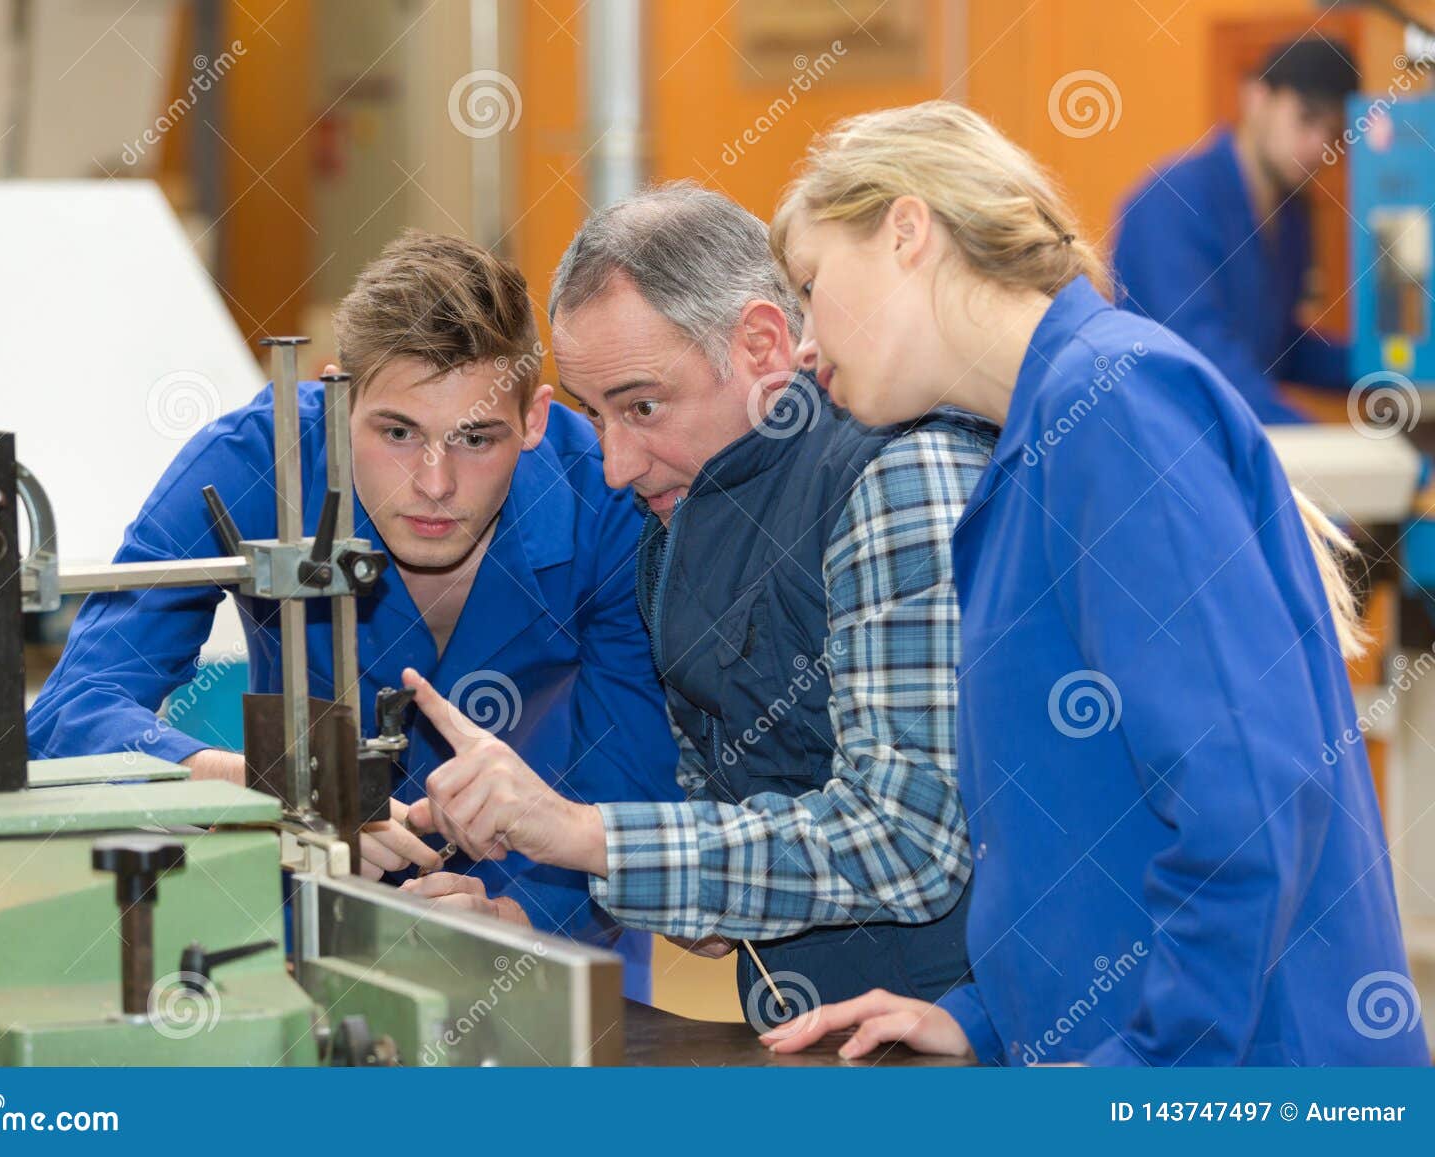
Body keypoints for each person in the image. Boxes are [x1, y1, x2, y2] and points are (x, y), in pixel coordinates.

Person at [760, 101, 1424, 1065]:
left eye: (811, 284)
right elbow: (1087, 821)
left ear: (907, 231)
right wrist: (985, 1015)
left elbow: (1249, 805)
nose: (806, 343)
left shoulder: (1109, 402)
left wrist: (1144, 1075)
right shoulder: (1041, 439)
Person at [394, 182, 995, 1029]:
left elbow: (908, 837)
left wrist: (580, 833)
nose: (615, 465)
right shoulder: (671, 528)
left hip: (976, 1039)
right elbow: (728, 872)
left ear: (761, 344)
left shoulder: (898, 475)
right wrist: (530, 923)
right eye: (594, 416)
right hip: (814, 1036)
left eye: (642, 406)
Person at [26, 230, 680, 997]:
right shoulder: (253, 461)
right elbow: (72, 715)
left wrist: (523, 915)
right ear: (339, 401)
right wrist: (267, 791)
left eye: (475, 438)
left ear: (534, 419)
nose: (435, 483)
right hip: (300, 925)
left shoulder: (604, 493)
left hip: (554, 922)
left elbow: (636, 786)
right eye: (398, 432)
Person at [1112, 35, 1358, 424]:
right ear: (1256, 97)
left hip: (1231, 447)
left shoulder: (1293, 215)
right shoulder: (1172, 200)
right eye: (1307, 118)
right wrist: (1318, 440)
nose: (1318, 145)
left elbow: (1281, 347)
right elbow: (1204, 359)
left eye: (1334, 133)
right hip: (1163, 450)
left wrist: (1390, 370)